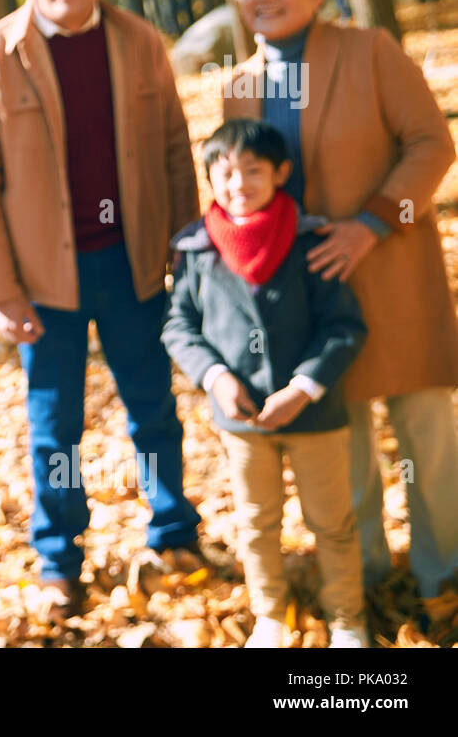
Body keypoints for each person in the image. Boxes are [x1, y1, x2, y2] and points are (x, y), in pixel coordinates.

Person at [0, 0, 202, 616]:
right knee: (56, 425)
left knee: (153, 408)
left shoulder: (140, 42)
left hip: (135, 265)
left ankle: (174, 529)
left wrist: (188, 251)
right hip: (42, 278)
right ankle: (59, 557)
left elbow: (175, 150)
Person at [226, 0, 458, 620]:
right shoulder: (239, 85)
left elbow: (431, 143)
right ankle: (369, 576)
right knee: (341, 436)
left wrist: (372, 223)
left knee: (425, 429)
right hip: (305, 295)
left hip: (389, 268)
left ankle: (441, 573)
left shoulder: (370, 52)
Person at [162, 119, 368, 648]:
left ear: (281, 172)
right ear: (210, 178)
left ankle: (348, 617)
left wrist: (304, 387)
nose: (239, 184)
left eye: (253, 171)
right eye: (225, 172)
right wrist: (215, 376)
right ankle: (270, 616)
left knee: (333, 523)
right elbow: (179, 327)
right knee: (257, 524)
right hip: (243, 418)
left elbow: (344, 327)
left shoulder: (309, 239)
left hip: (314, 414)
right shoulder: (197, 250)